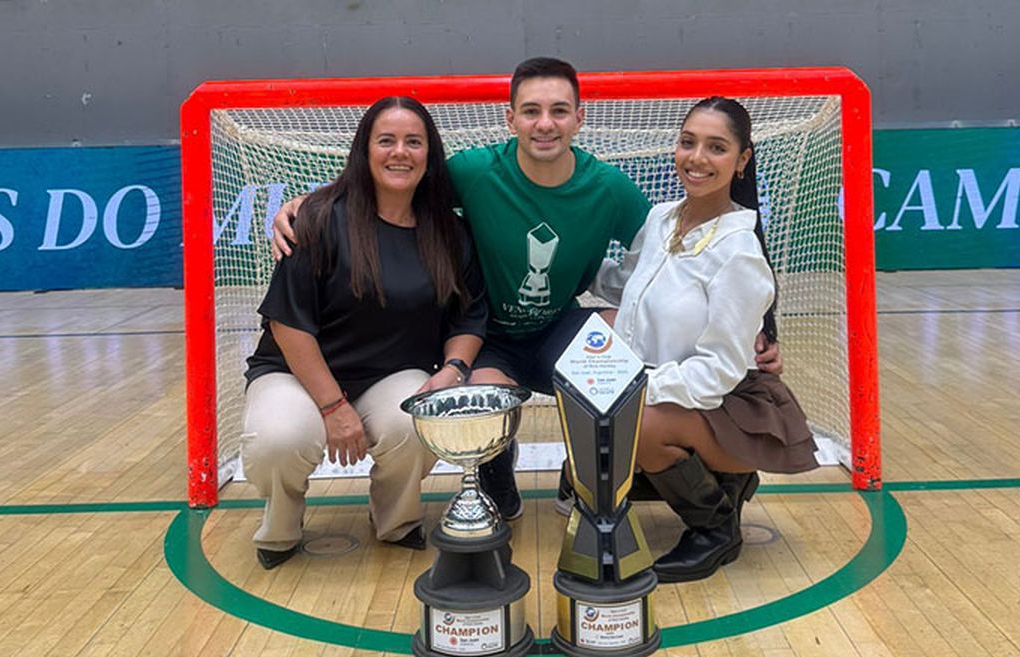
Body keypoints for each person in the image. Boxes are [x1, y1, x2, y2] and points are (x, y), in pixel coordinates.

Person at [272, 58, 782, 522]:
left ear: (579, 119)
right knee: (485, 398)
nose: (545, 123)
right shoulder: (474, 172)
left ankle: (593, 472)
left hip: (557, 324)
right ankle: (496, 468)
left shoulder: (609, 188)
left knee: (614, 342)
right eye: (532, 111)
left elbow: (679, 253)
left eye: (559, 111)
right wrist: (310, 204)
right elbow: (395, 181)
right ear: (510, 119)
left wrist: (763, 327)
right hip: (484, 335)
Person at [242, 96, 487, 570]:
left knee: (419, 420)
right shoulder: (314, 218)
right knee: (278, 439)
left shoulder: (450, 233)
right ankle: (281, 526)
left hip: (388, 376)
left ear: (429, 155)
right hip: (297, 373)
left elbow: (469, 317)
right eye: (387, 141)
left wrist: (454, 370)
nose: (400, 152)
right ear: (364, 150)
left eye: (414, 142)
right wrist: (334, 408)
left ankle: (396, 519)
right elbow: (287, 323)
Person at [589, 97, 820, 583]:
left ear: (742, 160)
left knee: (636, 427)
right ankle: (711, 479)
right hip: (674, 394)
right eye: (688, 142)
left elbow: (718, 374)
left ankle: (715, 528)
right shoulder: (661, 219)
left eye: (716, 148)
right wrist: (563, 263)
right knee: (586, 465)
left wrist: (633, 391)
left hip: (732, 409)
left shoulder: (738, 252)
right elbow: (622, 287)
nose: (697, 158)